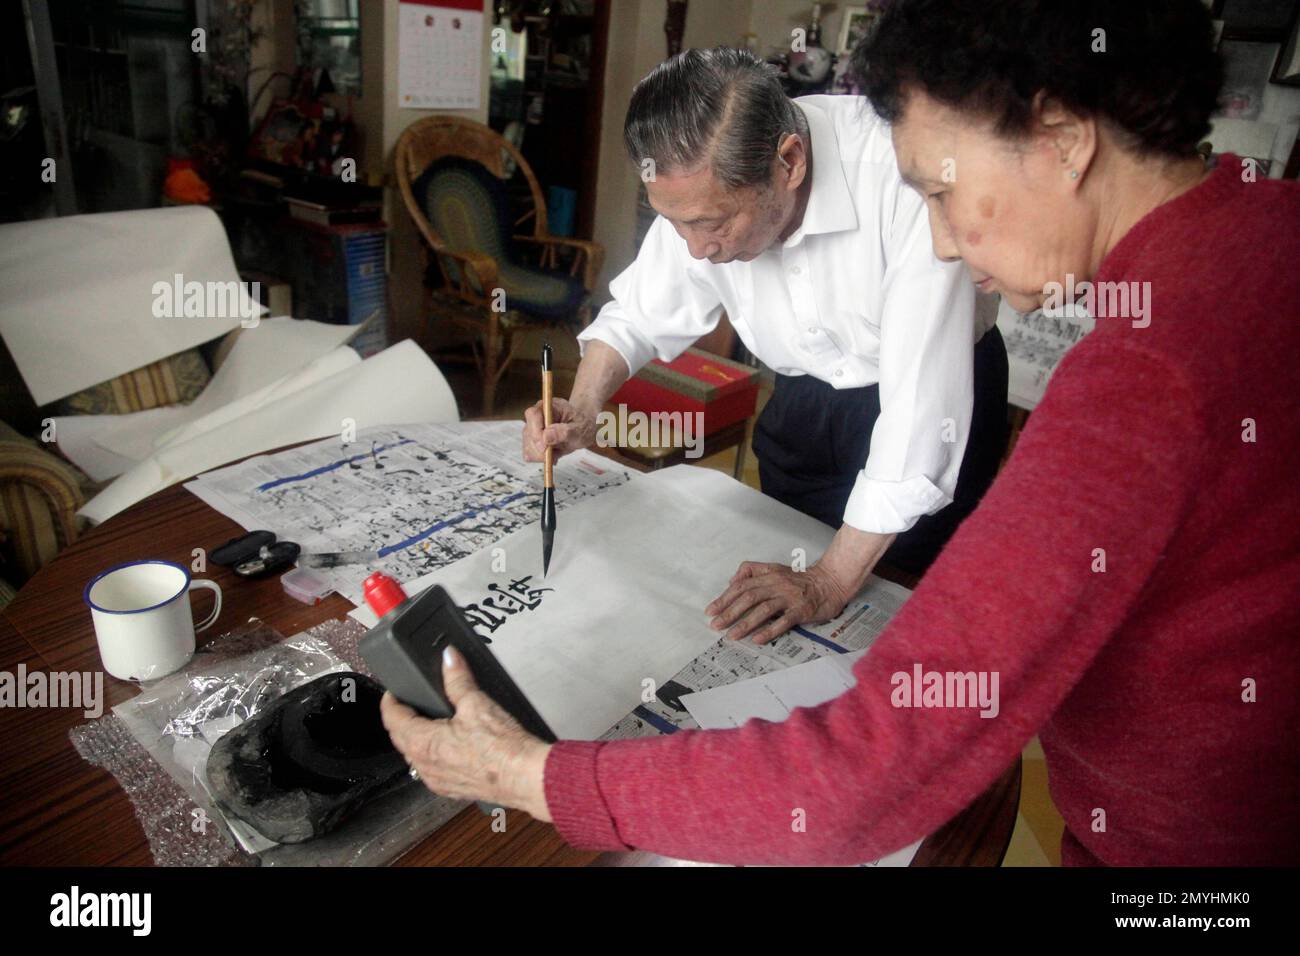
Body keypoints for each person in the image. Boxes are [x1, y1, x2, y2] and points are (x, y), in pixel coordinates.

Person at [381, 0, 1300, 865]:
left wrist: (534, 776)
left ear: (1061, 143)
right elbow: (648, 305)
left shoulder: (1139, 385)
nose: (943, 247)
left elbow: (878, 759)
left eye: (941, 196)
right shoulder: (1269, 230)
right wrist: (587, 401)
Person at [521, 47, 1008, 646]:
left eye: (712, 223)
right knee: (784, 609)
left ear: (791, 160)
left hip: (940, 402)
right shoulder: (701, 177)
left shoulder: (903, 176)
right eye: (676, 225)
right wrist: (586, 404)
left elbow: (918, 420)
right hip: (805, 396)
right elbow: (641, 312)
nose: (697, 250)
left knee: (915, 621)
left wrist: (829, 581)